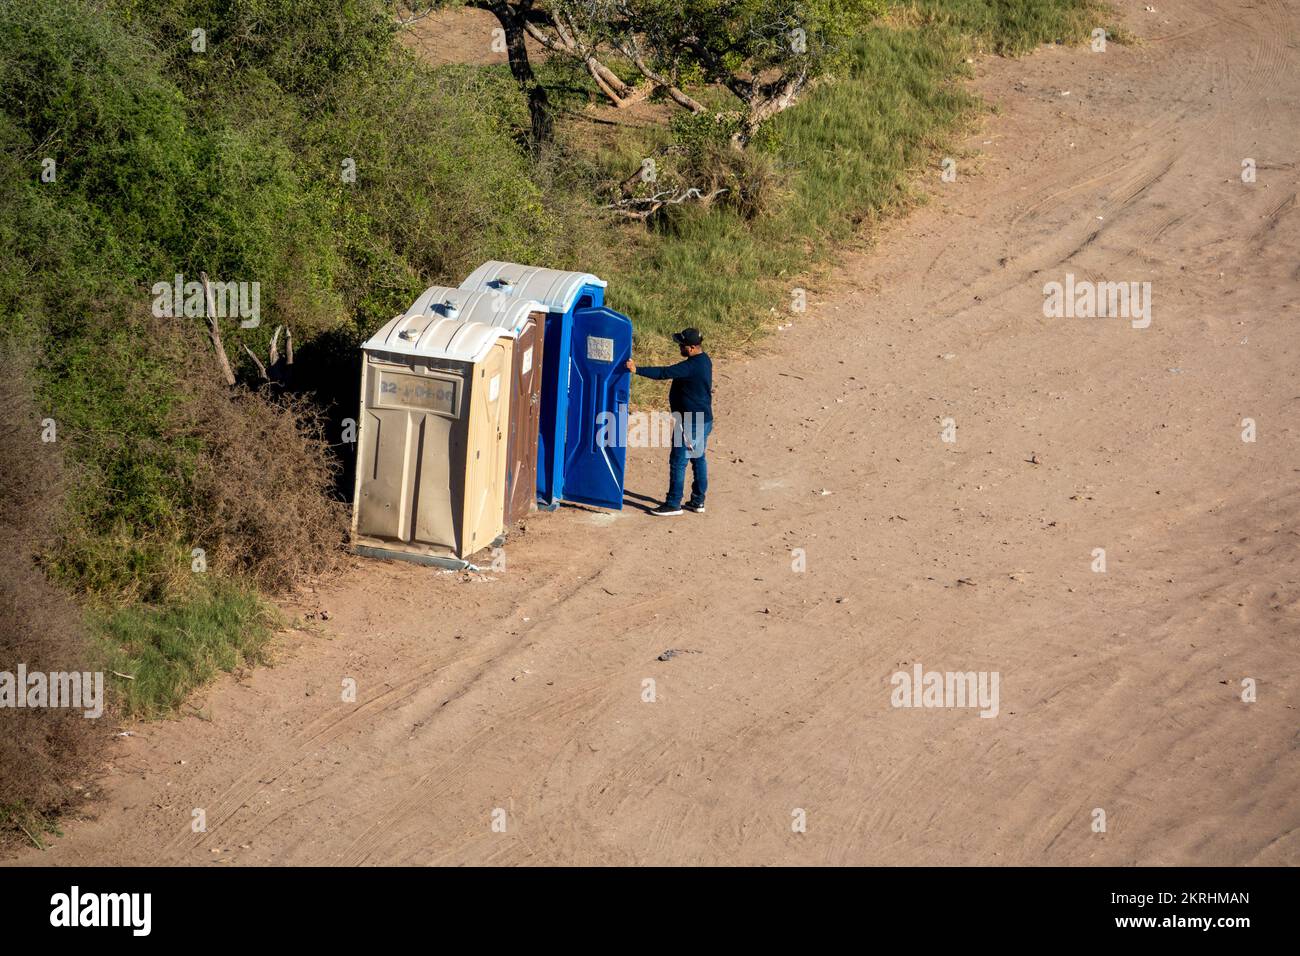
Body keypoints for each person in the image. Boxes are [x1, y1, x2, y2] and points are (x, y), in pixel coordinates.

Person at [625, 327, 713, 516]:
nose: (679, 347)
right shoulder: (705, 360)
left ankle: (673, 503)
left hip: (691, 422)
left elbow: (664, 372)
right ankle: (698, 501)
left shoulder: (691, 366)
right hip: (703, 419)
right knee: (698, 459)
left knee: (678, 462)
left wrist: (636, 369)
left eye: (681, 345)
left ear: (690, 348)